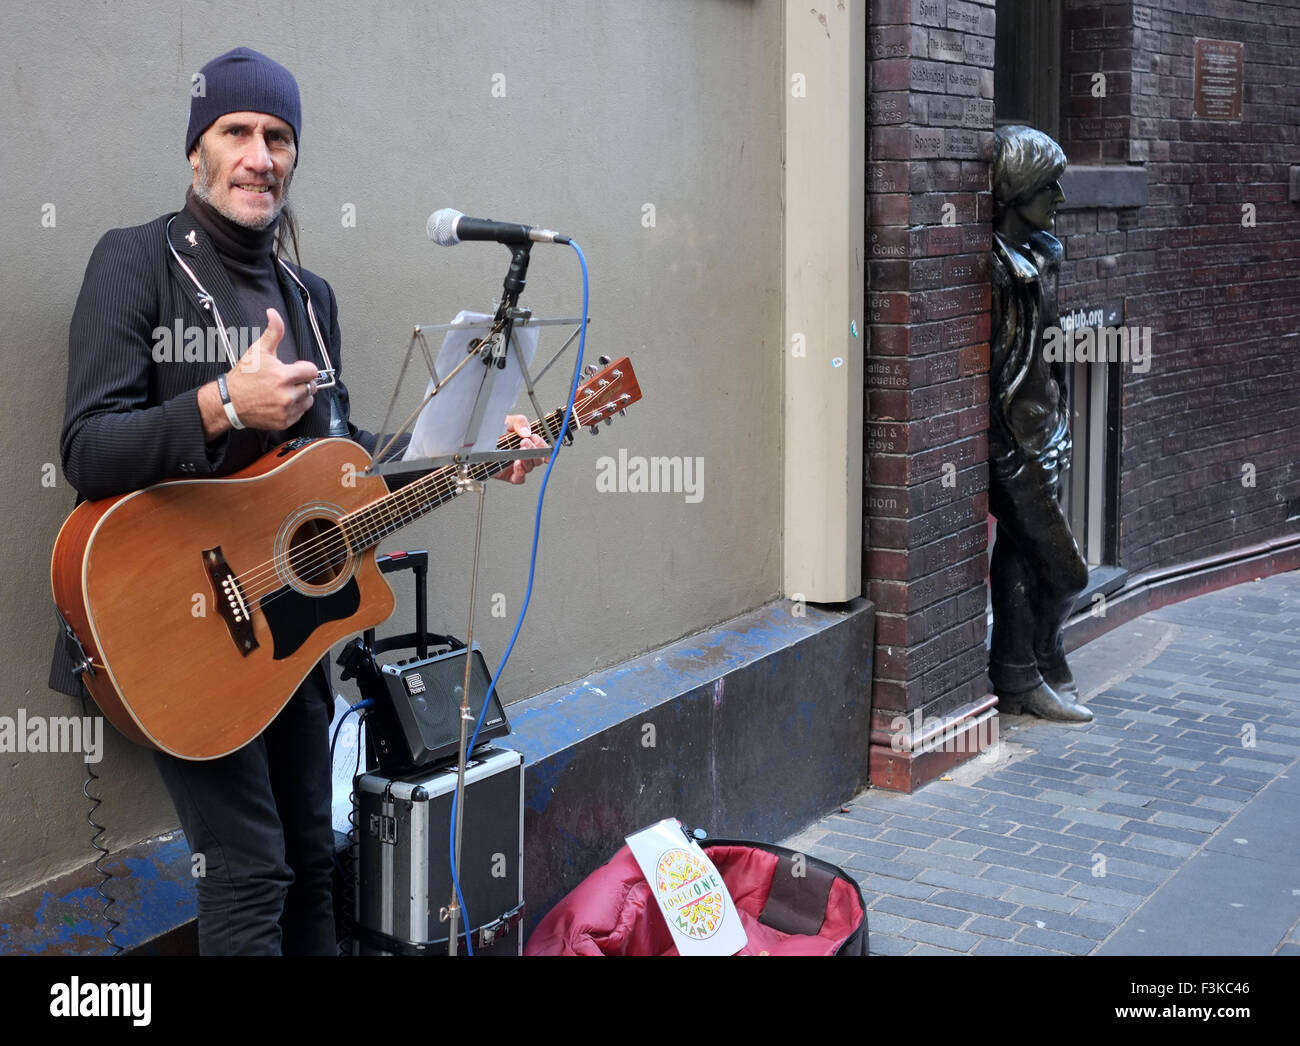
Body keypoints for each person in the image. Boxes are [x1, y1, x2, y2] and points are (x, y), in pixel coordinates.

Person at [49, 46, 546, 953]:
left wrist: (478, 453)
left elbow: (340, 469)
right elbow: (85, 448)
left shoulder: (309, 298)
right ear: (196, 152)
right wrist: (221, 403)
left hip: (287, 626)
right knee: (249, 874)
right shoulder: (136, 262)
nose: (259, 154)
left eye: (277, 136)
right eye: (236, 131)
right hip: (171, 621)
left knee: (314, 857)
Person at [987, 125, 1092, 723]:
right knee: (1066, 569)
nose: (1060, 198)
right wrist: (1008, 449)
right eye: (1049, 186)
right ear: (1017, 189)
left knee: (1024, 557)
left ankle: (1024, 674)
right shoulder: (999, 273)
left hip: (1047, 426)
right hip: (1016, 442)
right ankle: (1040, 658)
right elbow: (996, 371)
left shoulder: (1041, 256)